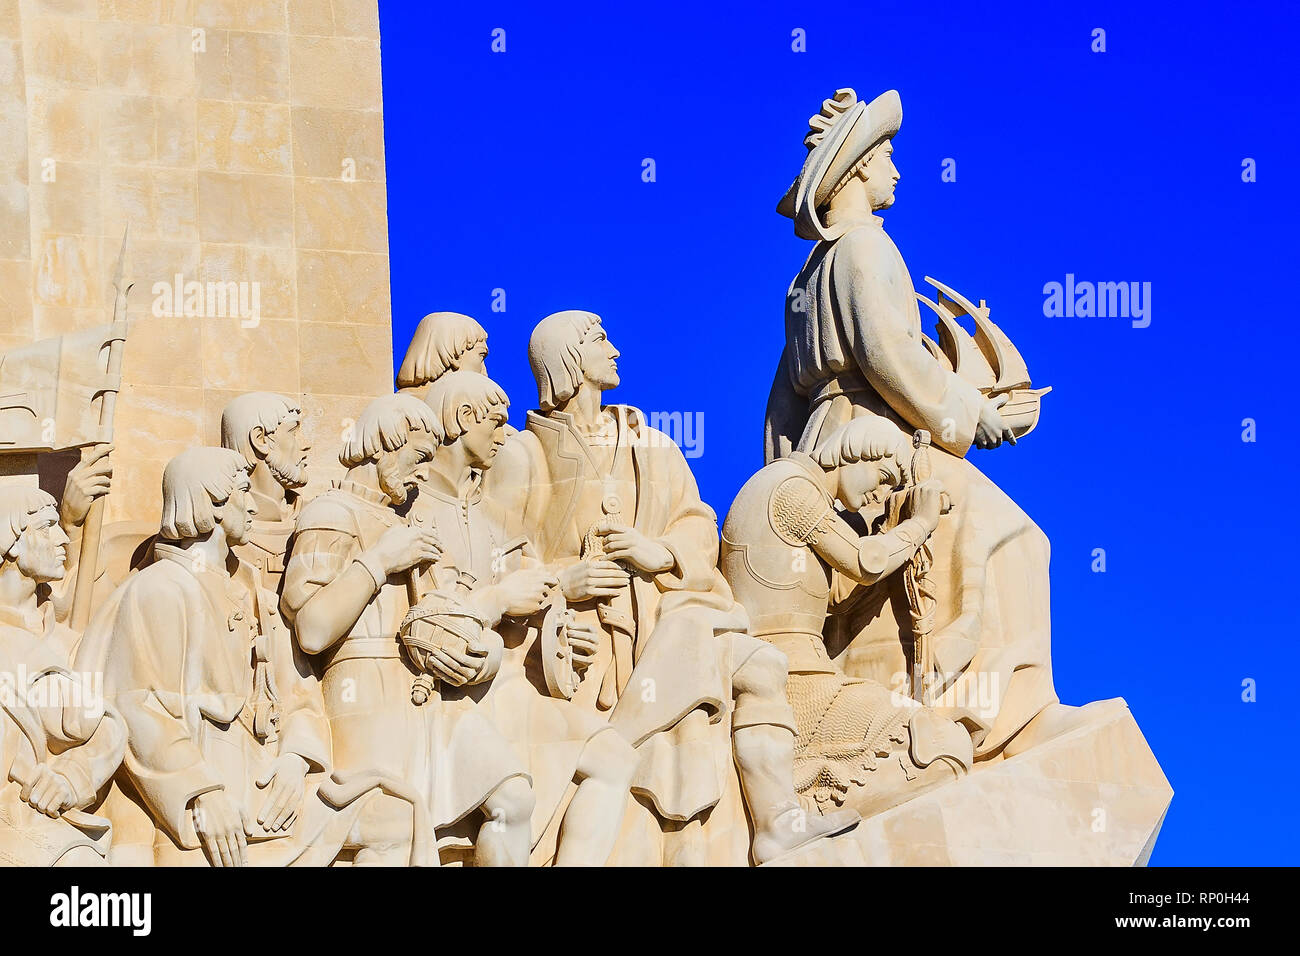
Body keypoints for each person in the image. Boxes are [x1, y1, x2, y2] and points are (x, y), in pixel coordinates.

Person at [767, 88, 1117, 758]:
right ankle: (1006, 721)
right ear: (859, 167)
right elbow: (891, 356)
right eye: (888, 155)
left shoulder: (806, 281)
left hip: (826, 442)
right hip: (880, 433)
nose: (896, 170)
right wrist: (978, 415)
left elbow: (783, 401)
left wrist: (789, 475)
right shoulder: (866, 248)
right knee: (1016, 538)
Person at [516, 309, 857, 865]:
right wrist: (565, 582)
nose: (616, 351)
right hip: (586, 639)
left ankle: (778, 821)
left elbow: (696, 524)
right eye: (601, 340)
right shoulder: (525, 455)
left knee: (760, 665)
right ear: (570, 358)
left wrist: (662, 552)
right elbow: (501, 554)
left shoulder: (652, 445)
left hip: (667, 614)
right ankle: (619, 750)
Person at [280, 393, 536, 866]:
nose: (423, 471)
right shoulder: (330, 513)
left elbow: (447, 614)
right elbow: (313, 629)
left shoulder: (408, 523)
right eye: (418, 457)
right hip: (365, 695)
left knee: (513, 798)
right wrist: (379, 561)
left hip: (427, 696)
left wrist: (482, 652)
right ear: (382, 445)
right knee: (395, 832)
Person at [74, 448, 357, 866]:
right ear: (212, 502)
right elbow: (138, 706)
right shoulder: (160, 589)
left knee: (392, 812)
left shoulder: (255, 595)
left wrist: (297, 759)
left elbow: (299, 690)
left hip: (269, 789)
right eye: (243, 490)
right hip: (206, 804)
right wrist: (201, 790)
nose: (252, 503)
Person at [409, 370, 637, 865]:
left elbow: (533, 607)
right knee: (512, 804)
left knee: (613, 757)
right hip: (451, 700)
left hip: (509, 690)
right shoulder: (413, 510)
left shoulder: (497, 521)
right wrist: (501, 598)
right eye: (494, 423)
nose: (503, 436)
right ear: (462, 418)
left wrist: (562, 637)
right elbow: (425, 623)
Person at [722, 416, 972, 817]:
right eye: (883, 475)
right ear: (857, 452)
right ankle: (819, 814)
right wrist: (919, 523)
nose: (881, 490)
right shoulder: (790, 487)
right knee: (944, 747)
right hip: (795, 681)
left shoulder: (803, 494)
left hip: (804, 673)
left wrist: (889, 525)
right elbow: (863, 561)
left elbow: (836, 594)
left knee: (943, 745)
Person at [1, 487, 125, 865]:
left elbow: (107, 726)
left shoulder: (72, 643)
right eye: (47, 528)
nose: (61, 541)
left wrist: (71, 776)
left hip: (45, 830)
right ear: (13, 545)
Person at [219, 392, 312, 592]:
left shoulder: (319, 518)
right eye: (293, 433)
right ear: (260, 439)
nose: (306, 444)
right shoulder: (213, 533)